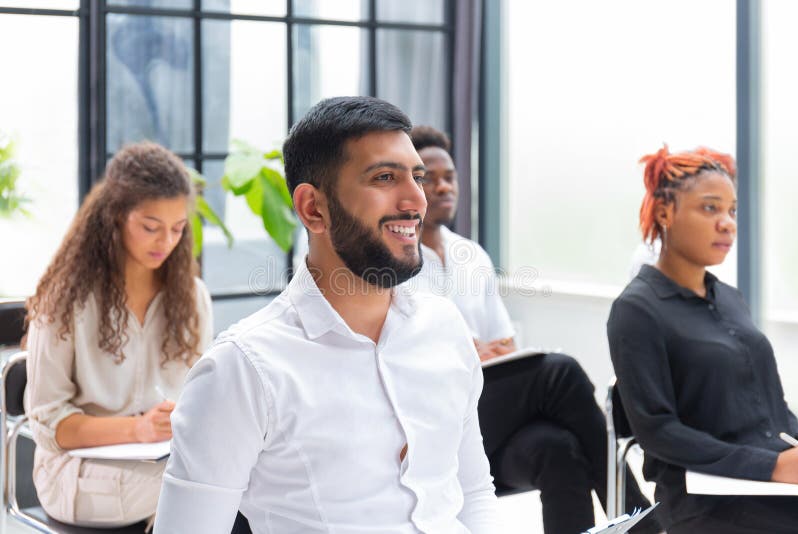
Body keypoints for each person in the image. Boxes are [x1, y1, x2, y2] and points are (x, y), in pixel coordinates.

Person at [154, 97, 499, 533]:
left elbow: (472, 493)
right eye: (385, 177)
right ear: (313, 209)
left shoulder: (445, 327)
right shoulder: (241, 369)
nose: (416, 199)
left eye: (417, 176)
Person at [408, 125, 660, 534]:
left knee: (558, 448)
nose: (442, 187)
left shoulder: (471, 256)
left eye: (449, 177)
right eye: (428, 178)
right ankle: (643, 520)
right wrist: (467, 351)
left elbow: (503, 342)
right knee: (560, 372)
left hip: (490, 418)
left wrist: (487, 350)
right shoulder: (391, 262)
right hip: (443, 415)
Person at [607, 144, 798, 533]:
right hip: (703, 498)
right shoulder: (636, 310)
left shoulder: (731, 299)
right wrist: (772, 466)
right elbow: (658, 431)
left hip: (768, 480)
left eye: (731, 210)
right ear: (665, 213)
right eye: (710, 208)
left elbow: (774, 412)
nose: (727, 223)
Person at [24, 141, 213, 528]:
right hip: (74, 472)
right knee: (203, 486)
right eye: (150, 227)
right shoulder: (66, 301)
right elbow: (48, 426)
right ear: (115, 216)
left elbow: (201, 393)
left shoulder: (192, 298)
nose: (166, 242)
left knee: (244, 472)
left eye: (178, 229)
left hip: (164, 461)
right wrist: (137, 429)